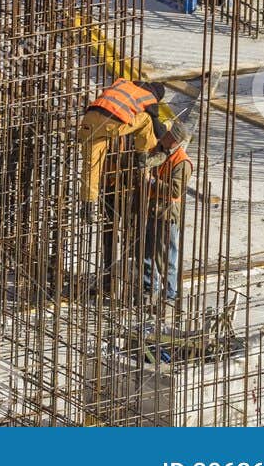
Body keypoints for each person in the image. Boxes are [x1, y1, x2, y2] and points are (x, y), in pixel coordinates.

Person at [76, 78, 168, 222]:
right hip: (109, 123)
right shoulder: (149, 97)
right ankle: (142, 158)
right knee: (146, 119)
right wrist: (167, 126)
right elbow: (157, 129)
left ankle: (87, 206)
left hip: (89, 119)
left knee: (92, 166)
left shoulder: (123, 82)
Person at [140, 115, 193, 321]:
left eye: (169, 134)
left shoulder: (182, 162)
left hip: (167, 214)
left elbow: (175, 189)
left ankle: (170, 296)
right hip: (152, 210)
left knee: (167, 259)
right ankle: (149, 291)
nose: (164, 135)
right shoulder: (161, 151)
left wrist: (151, 182)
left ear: (175, 140)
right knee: (147, 254)